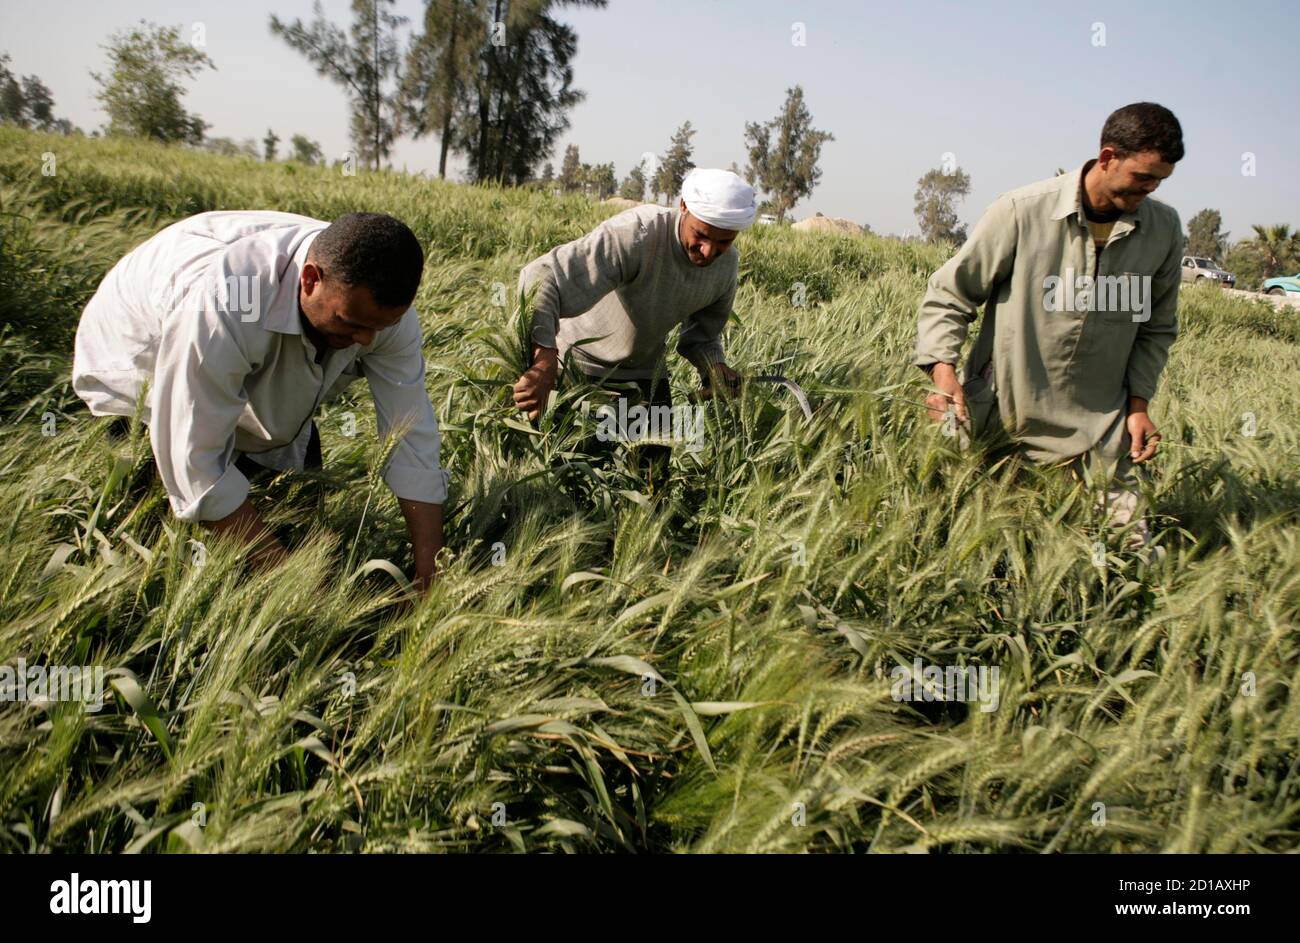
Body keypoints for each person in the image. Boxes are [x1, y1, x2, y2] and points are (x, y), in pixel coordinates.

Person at [72, 210, 448, 591]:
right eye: (351, 323)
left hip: (240, 351)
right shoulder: (231, 294)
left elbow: (410, 436)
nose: (366, 340)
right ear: (310, 279)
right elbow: (195, 461)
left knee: (297, 523)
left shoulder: (380, 311)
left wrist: (429, 573)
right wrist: (292, 585)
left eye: (377, 328)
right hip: (141, 365)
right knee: (151, 531)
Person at [914, 102, 1186, 543]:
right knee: (958, 539)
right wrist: (943, 372)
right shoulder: (1022, 212)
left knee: (1131, 562)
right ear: (1107, 157)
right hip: (1004, 420)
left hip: (1099, 433)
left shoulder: (1163, 230)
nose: (1150, 189)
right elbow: (951, 293)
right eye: (1142, 176)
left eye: (1160, 181)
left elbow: (1155, 327)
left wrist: (1139, 407)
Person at [510, 168, 757, 470]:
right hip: (578, 368)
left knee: (652, 485)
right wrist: (544, 359)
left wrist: (715, 368)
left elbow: (702, 337)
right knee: (574, 475)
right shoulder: (636, 234)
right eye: (701, 235)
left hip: (645, 375)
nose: (708, 251)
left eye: (723, 243)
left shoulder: (726, 267)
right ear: (682, 207)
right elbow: (540, 276)